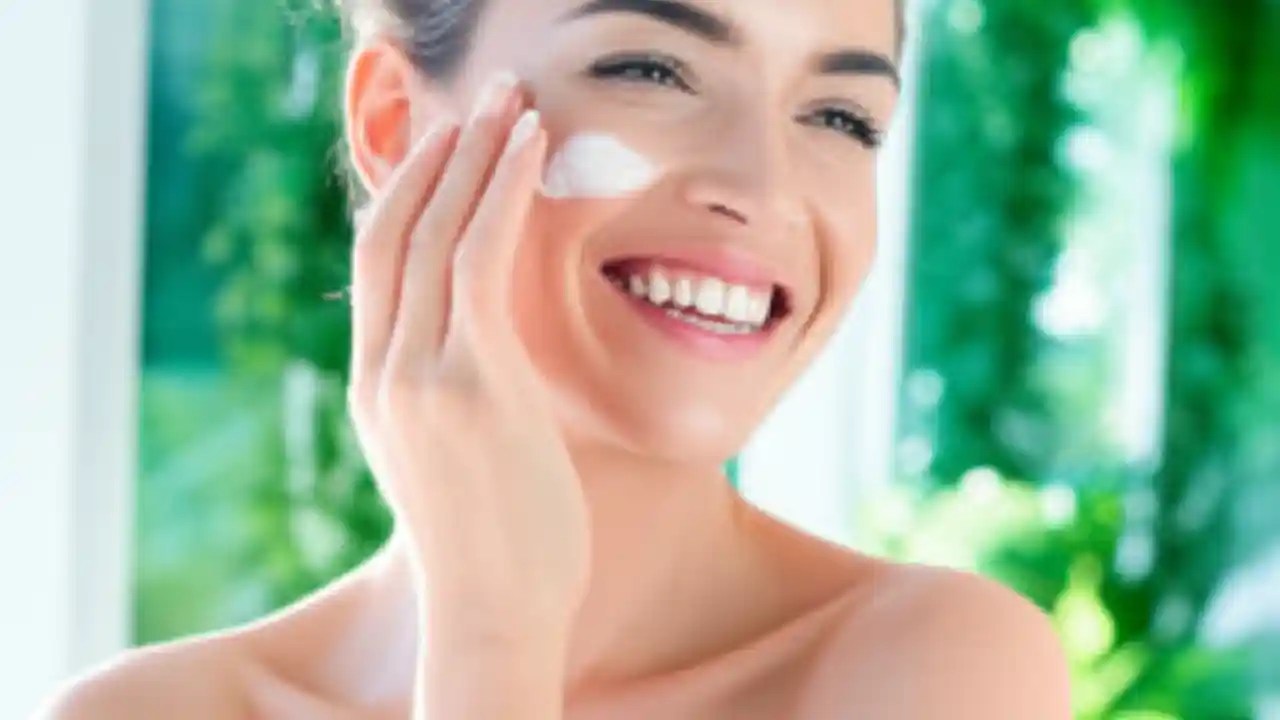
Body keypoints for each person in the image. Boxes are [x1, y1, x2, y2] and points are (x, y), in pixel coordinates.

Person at [41, 0, 1072, 717]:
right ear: (396, 125)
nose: (762, 187)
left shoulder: (933, 667)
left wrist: (499, 644)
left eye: (839, 117)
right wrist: (490, 627)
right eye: (650, 69)